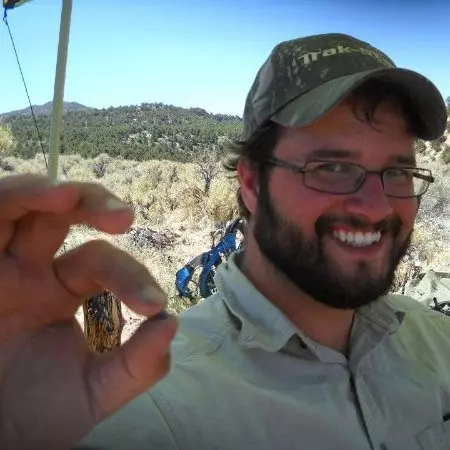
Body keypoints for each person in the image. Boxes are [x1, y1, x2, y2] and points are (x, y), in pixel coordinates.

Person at [0, 32, 449, 450]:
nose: (375, 207)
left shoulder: (437, 342)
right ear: (252, 182)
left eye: (400, 172)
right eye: (332, 167)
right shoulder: (161, 406)